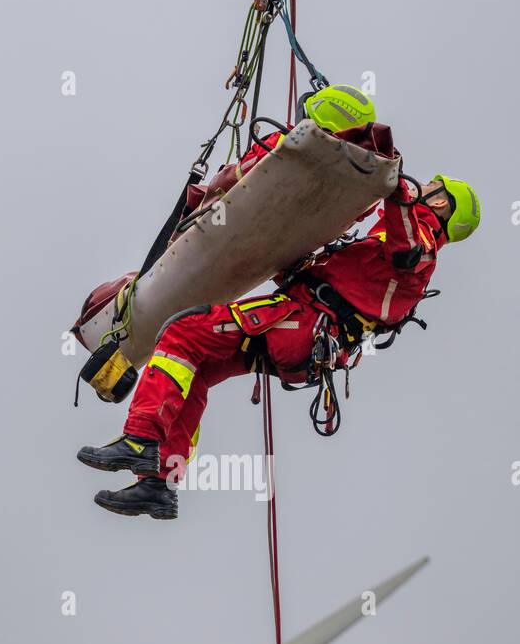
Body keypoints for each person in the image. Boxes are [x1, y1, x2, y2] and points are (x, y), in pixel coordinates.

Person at [78, 89, 480, 519]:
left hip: (300, 326)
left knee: (183, 331)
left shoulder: (420, 249)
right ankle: (156, 483)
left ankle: (140, 438)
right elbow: (334, 276)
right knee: (196, 370)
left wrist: (396, 188)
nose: (425, 188)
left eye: (432, 189)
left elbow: (406, 253)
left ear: (441, 204)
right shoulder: (383, 250)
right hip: (303, 339)